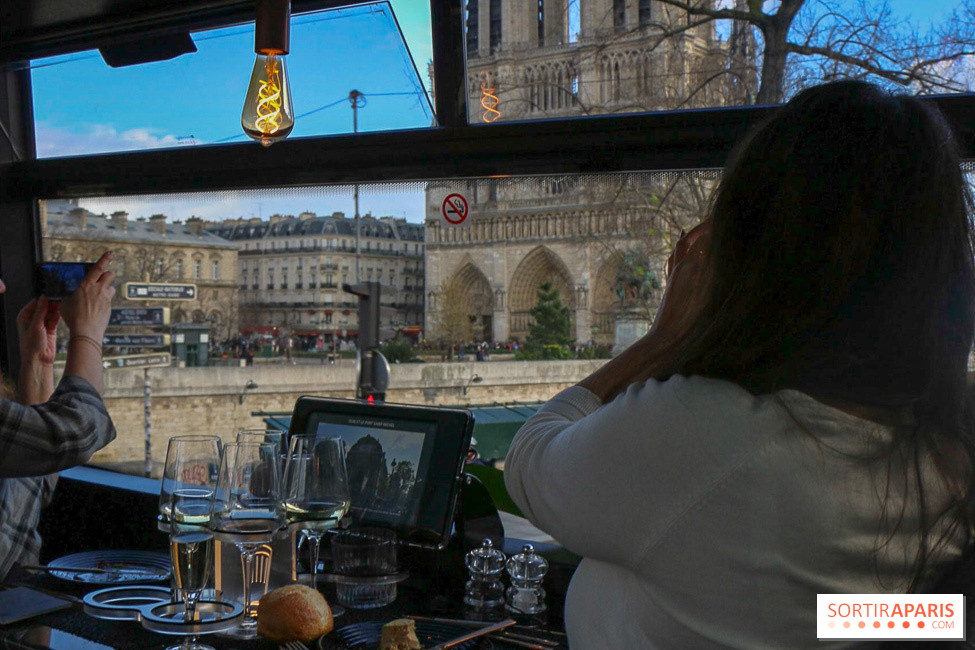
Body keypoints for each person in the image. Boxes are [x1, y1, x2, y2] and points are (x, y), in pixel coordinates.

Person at [504, 81, 975, 648]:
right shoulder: (948, 454)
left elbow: (530, 463)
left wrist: (661, 341)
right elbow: (881, 619)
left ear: (760, 251)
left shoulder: (705, 434)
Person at [0, 252, 117, 578]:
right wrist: (88, 334)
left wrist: (38, 365)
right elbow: (77, 434)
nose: (1, 286)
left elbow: (30, 480)